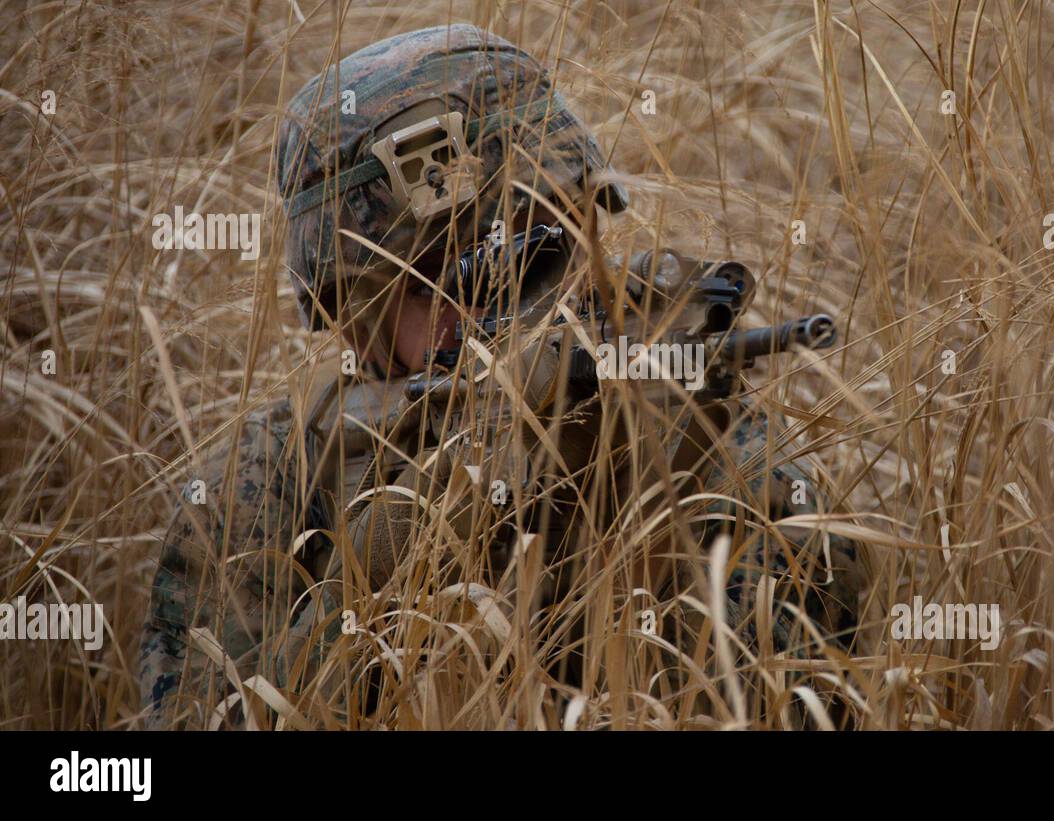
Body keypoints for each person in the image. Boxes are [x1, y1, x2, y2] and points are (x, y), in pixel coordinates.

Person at [138, 24, 865, 729]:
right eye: (439, 280)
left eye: (537, 256)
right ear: (353, 313)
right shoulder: (264, 488)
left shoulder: (740, 480)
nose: (504, 311)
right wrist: (418, 535)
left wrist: (628, 520)